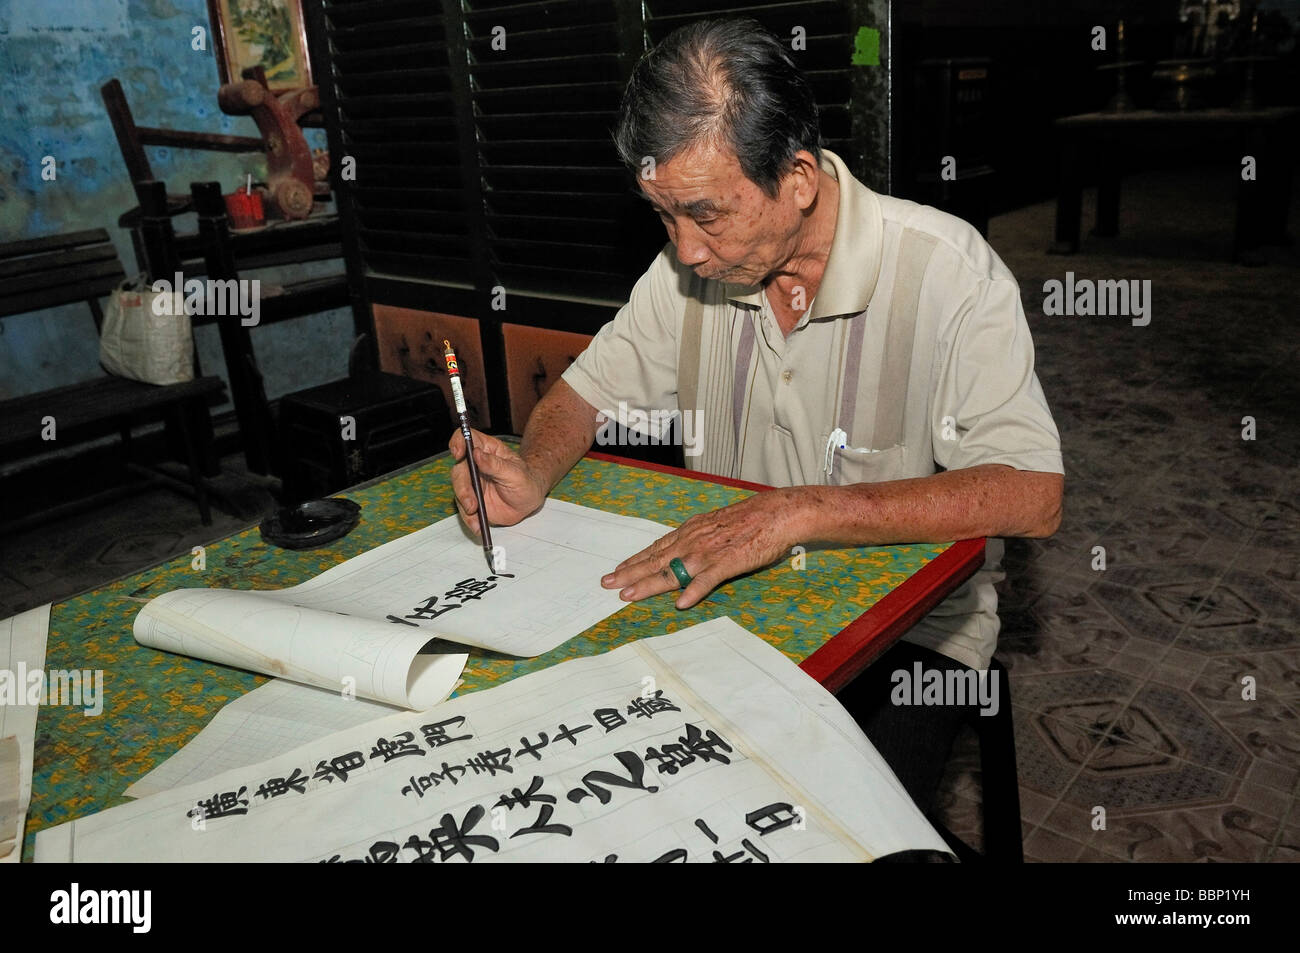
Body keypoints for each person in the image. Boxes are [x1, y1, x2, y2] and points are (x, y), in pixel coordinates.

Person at [450, 18, 1063, 814]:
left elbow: (1034, 493)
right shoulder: (685, 271)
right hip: (728, 599)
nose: (686, 251)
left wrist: (801, 512)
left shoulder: (948, 274)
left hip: (908, 633)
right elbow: (583, 393)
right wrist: (533, 469)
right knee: (586, 778)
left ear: (799, 177)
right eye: (663, 215)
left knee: (828, 819)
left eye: (706, 214)